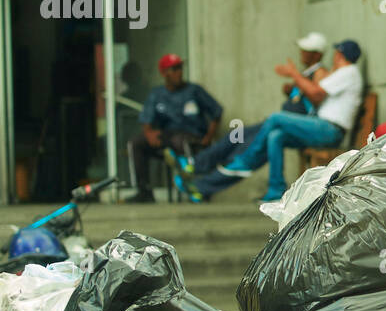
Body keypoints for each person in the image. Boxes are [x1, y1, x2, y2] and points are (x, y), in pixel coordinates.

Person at [219, 39, 365, 202]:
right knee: (276, 136)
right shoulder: (343, 73)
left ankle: (246, 161)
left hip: (329, 130)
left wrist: (294, 74)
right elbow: (314, 93)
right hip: (323, 128)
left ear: (339, 55)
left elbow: (316, 93)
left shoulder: (348, 72)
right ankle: (276, 190)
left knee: (276, 118)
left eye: (335, 54)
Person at [189, 33, 331, 186]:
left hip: (290, 127)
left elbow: (317, 97)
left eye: (306, 49)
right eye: (302, 48)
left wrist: (294, 75)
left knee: (244, 154)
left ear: (317, 54)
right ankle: (195, 164)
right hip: (278, 123)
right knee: (236, 135)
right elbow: (304, 96)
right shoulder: (306, 73)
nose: (301, 52)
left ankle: (200, 186)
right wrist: (292, 90)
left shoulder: (320, 72)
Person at [127, 53, 222, 203]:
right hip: (166, 135)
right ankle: (143, 190)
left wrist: (209, 136)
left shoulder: (194, 90)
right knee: (136, 143)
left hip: (191, 135)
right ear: (164, 73)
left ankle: (198, 189)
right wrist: (149, 132)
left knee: (180, 141)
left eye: (180, 68)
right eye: (174, 69)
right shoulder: (157, 93)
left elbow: (217, 112)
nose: (179, 72)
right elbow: (146, 119)